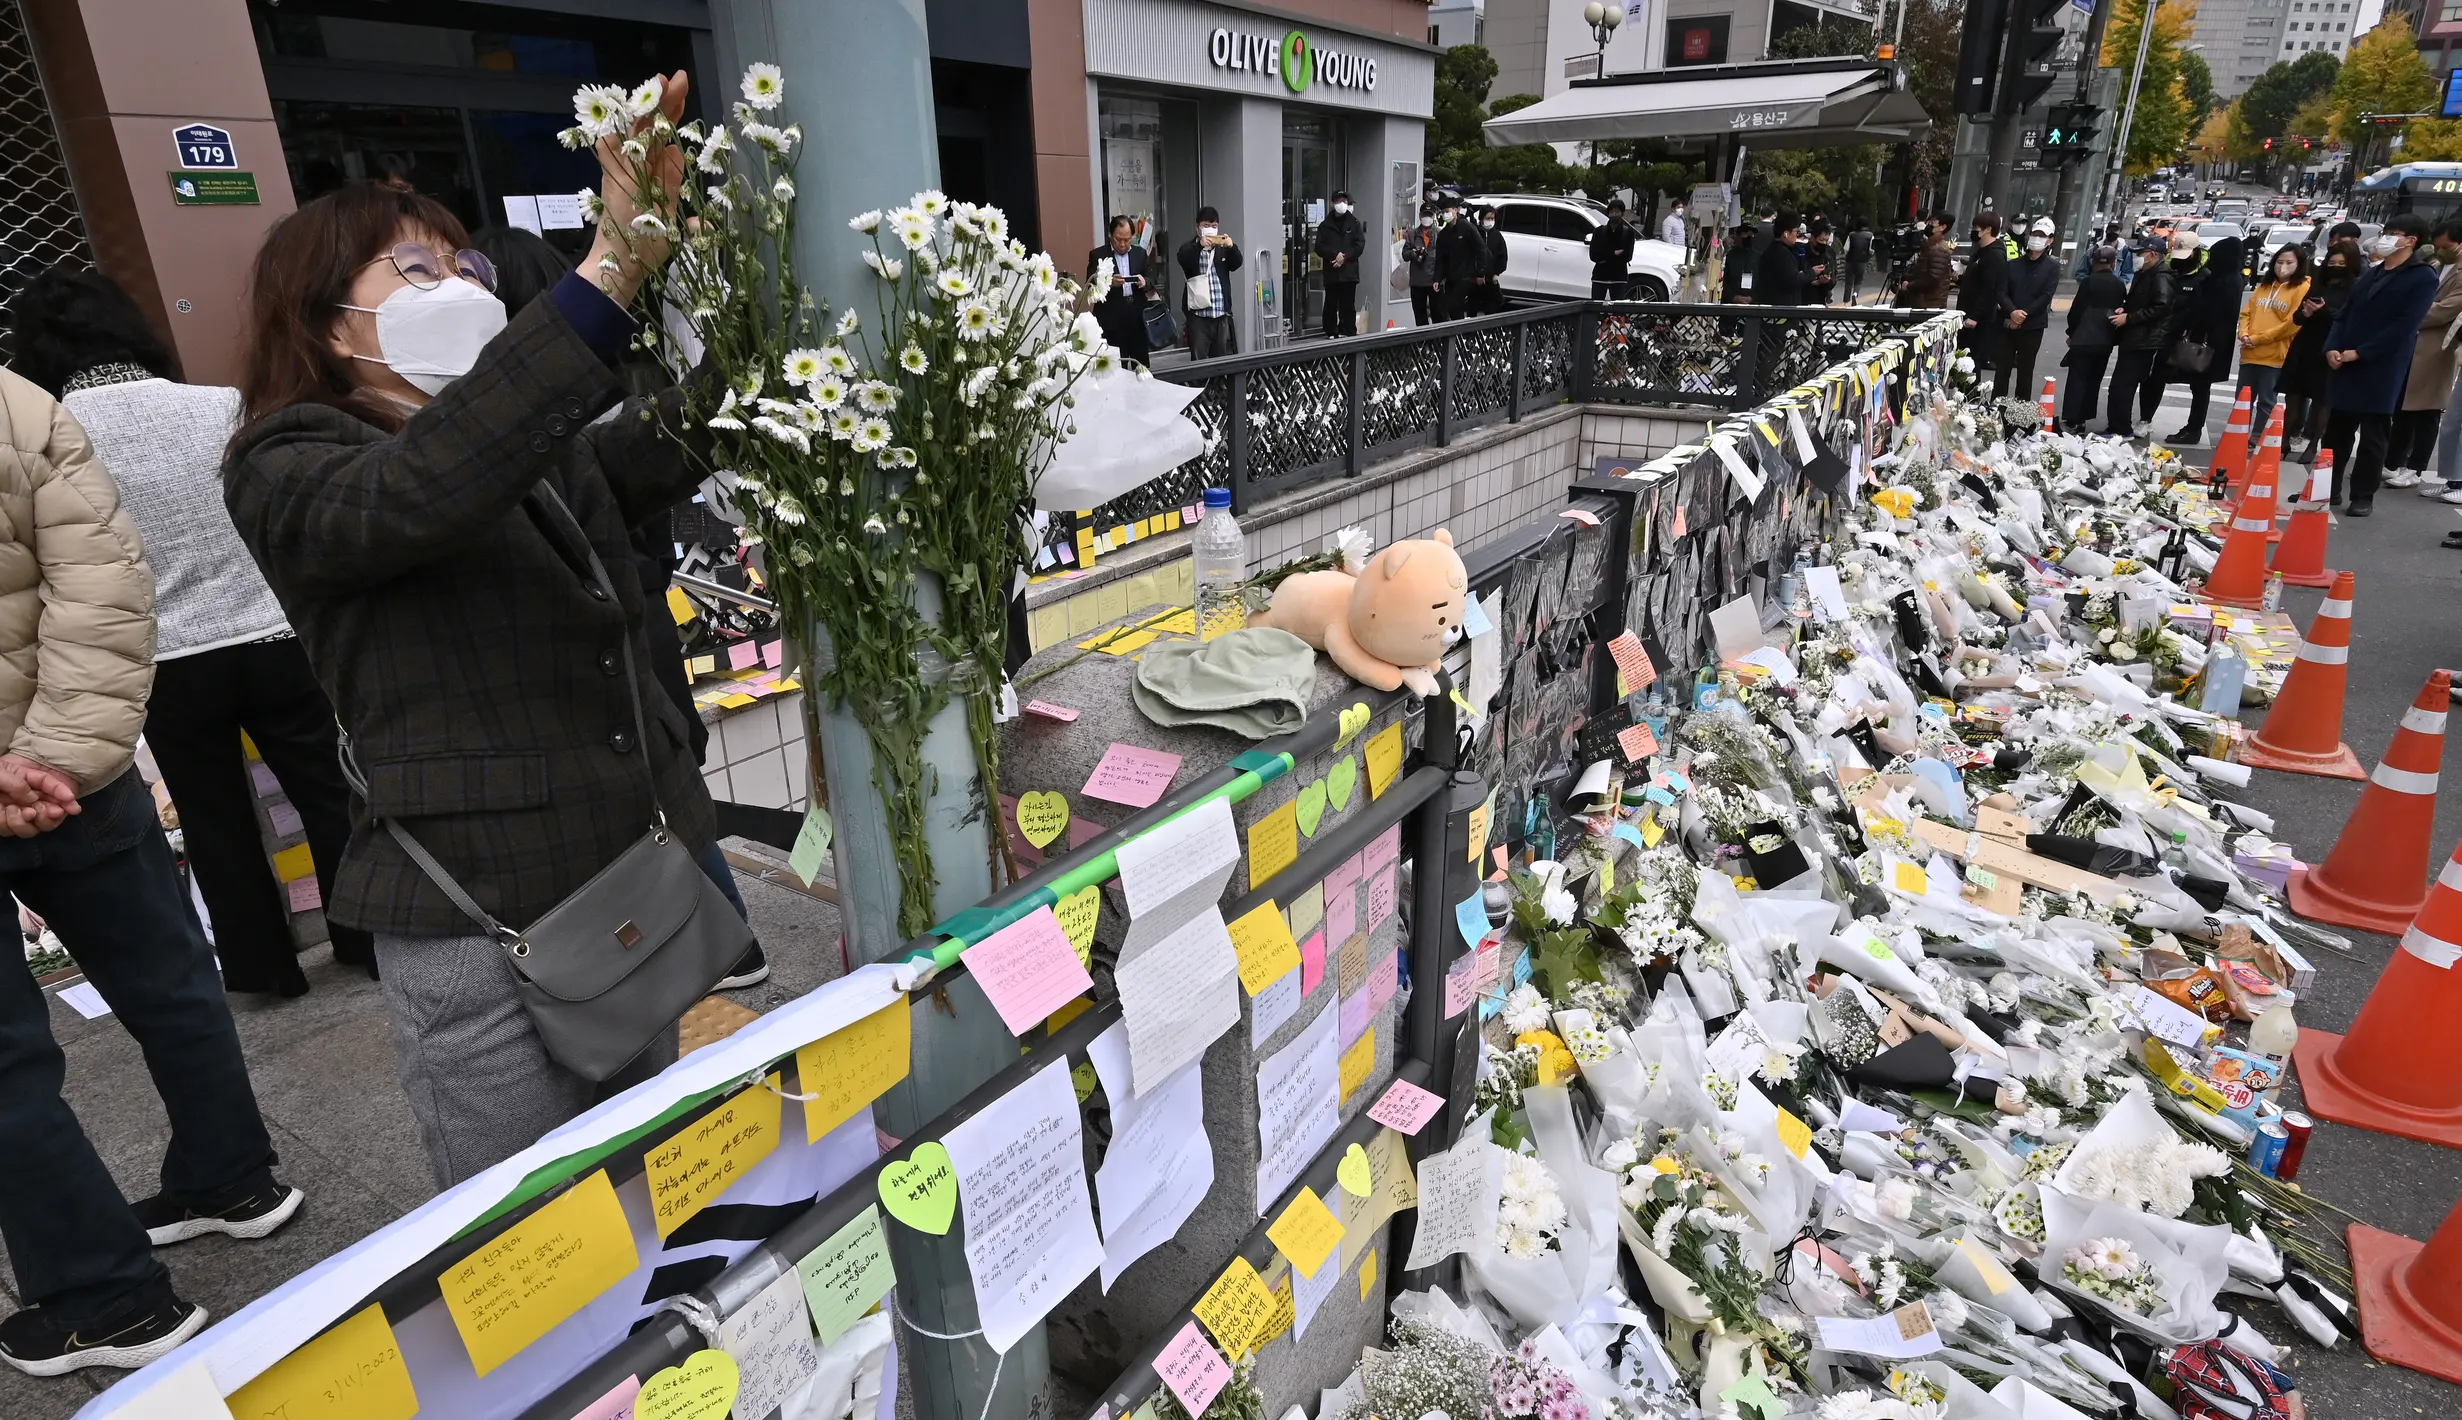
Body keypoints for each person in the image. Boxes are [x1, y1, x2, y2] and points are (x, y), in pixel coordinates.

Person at [222, 74, 717, 1186]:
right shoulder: (286, 463)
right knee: (527, 1218)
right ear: (323, 321)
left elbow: (637, 454)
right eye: (413, 269)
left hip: (619, 876)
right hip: (481, 911)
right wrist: (609, 270)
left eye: (462, 266)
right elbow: (422, 492)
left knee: (646, 1172)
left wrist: (764, 327)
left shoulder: (505, 438)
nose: (452, 286)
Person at [0, 363, 305, 1377]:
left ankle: (106, 1298)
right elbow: (101, 572)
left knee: (5, 1063)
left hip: (52, 754)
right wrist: (57, 754)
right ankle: (234, 1178)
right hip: (77, 763)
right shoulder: (18, 406)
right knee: (171, 981)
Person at [5, 268, 375, 1000]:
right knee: (329, 793)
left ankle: (262, 968)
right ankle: (368, 938)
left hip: (164, 658)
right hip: (272, 634)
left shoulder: (51, 439)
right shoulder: (221, 406)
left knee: (212, 819)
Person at [466, 227, 767, 991]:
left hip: (625, 623)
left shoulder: (566, 414)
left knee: (661, 791)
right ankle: (718, 944)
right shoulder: (586, 402)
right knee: (663, 789)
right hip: (640, 610)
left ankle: (728, 947)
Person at [2321, 211, 2440, 516]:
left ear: (2411, 241)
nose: (2384, 239)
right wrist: (2332, 347)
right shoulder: (2371, 274)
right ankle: (2326, 489)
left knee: (2373, 436)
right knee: (2336, 432)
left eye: (2392, 234)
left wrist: (2361, 352)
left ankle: (2363, 496)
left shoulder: (2422, 276)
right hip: (2345, 362)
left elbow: (2404, 326)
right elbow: (2344, 315)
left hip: (2381, 367)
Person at [2388, 218, 2462, 494]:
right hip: (2414, 343)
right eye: (2438, 246)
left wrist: (2409, 314)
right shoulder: (2436, 266)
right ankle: (2396, 462)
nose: (2440, 251)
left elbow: (2446, 309)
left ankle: (2416, 468)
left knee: (2428, 412)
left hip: (2438, 348)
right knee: (2405, 407)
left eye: (2447, 246)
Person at [2158, 234, 2242, 445]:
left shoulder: (2221, 281)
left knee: (2200, 386)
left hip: (2206, 341)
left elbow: (2207, 310)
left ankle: (2193, 428)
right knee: (2200, 386)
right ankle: (2193, 427)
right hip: (2216, 341)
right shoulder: (2233, 279)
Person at [2283, 239, 2357, 465]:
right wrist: (2306, 312)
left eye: (2341, 263)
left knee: (2323, 400)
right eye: (2332, 262)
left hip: (2330, 346)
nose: (2336, 267)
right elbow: (2297, 317)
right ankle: (2284, 439)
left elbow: (2347, 319)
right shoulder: (2317, 284)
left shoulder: (2354, 288)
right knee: (2293, 395)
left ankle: (2313, 444)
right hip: (2305, 344)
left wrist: (2323, 311)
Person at [2105, 240, 2178, 438]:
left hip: (2145, 340)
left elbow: (2161, 307)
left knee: (2123, 385)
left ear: (2153, 254)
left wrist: (2129, 317)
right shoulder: (2145, 273)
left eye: (2141, 253)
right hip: (2135, 336)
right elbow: (2142, 301)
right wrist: (2126, 309)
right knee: (2120, 385)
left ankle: (2121, 429)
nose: (2137, 257)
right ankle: (2116, 427)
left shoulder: (2161, 276)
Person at [2236, 243, 2310, 430]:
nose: (2282, 266)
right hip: (2249, 352)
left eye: (2289, 262)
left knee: (2266, 402)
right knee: (2242, 400)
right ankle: (2237, 435)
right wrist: (2244, 334)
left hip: (2274, 356)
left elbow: (2291, 324)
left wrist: (2258, 339)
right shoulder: (2265, 285)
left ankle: (2258, 436)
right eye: (2279, 261)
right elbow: (2246, 313)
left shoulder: (2302, 288)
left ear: (2299, 264)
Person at [2062, 245, 2128, 432]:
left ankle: (2073, 420)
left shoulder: (2088, 282)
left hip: (2083, 338)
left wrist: (2072, 333)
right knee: (2094, 379)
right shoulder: (2119, 284)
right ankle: (2084, 416)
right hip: (2105, 339)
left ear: (2093, 261)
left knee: (2077, 378)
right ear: (2114, 263)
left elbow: (2076, 311)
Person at [1996, 217, 2061, 398]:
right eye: (2034, 234)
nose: (2037, 239)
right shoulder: (2012, 264)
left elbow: (2046, 296)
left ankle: (2022, 409)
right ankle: (1996, 407)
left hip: (2033, 325)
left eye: (2042, 236)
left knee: (2025, 370)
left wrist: (2023, 315)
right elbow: (2001, 291)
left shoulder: (2052, 267)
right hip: (2008, 323)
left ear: (2050, 240)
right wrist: (2012, 312)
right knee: (2002, 369)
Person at [1176, 206, 1244, 360]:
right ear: (1197, 227)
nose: (1210, 229)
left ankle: (1218, 378)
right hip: (1198, 316)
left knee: (1220, 360)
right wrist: (1199, 245)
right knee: (1199, 360)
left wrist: (1231, 247)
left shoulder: (1222, 248)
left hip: (1220, 313)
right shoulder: (1190, 247)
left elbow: (1236, 264)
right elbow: (1183, 260)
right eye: (1206, 225)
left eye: (1214, 226)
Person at [1087, 216, 1153, 367]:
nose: (1123, 244)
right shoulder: (1098, 255)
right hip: (1111, 320)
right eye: (1118, 239)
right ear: (1110, 235)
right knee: (1116, 368)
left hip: (1136, 319)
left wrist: (1145, 282)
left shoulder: (1140, 254)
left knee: (1141, 367)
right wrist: (1109, 283)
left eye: (1127, 240)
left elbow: (1151, 278)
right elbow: (1090, 286)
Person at [1956, 212, 2013, 374]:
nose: (1973, 231)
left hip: (1979, 319)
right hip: (1967, 311)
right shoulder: (1980, 251)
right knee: (1962, 360)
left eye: (1976, 227)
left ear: (1988, 229)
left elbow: (1990, 289)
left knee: (1972, 362)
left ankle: (1972, 389)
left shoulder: (1995, 255)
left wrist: (1975, 316)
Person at [1312, 190, 1365, 338]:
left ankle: (1348, 331)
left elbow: (1359, 245)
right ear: (1332, 204)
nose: (1342, 204)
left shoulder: (1354, 223)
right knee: (1331, 303)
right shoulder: (1325, 225)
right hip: (1332, 271)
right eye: (1339, 201)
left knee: (1348, 305)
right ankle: (1331, 331)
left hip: (1349, 272)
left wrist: (1345, 257)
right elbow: (1319, 247)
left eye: (1344, 201)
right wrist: (1334, 255)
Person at [1435, 200, 1486, 321]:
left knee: (1455, 303)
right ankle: (1458, 329)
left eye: (1447, 211)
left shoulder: (1467, 228)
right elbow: (1440, 258)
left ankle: (1461, 329)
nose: (1445, 214)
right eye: (1443, 212)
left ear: (1456, 210)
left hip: (1466, 275)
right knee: (1450, 306)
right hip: (1450, 276)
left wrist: (1480, 272)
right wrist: (1437, 278)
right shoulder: (1443, 234)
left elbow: (1480, 249)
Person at [1744, 210, 1807, 306]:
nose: (1797, 235)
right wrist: (1811, 273)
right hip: (1780, 307)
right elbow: (1792, 280)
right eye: (1796, 231)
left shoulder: (1775, 248)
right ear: (1786, 233)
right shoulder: (1782, 253)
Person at [1897, 214, 1955, 309]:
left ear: (1943, 227)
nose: (1929, 225)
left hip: (1929, 303)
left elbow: (1932, 279)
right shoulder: (1930, 245)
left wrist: (1910, 285)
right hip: (1923, 301)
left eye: (1933, 222)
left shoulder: (1939, 249)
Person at [1590, 199, 1638, 300]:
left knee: (1618, 307)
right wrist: (1613, 253)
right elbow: (1594, 255)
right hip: (1600, 277)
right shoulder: (1599, 231)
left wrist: (1605, 255)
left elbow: (1627, 256)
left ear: (1622, 213)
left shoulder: (1628, 233)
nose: (1614, 214)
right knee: (1596, 306)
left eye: (1617, 212)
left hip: (1619, 278)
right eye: (1611, 212)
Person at [1404, 204, 1439, 326]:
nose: (1427, 218)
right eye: (1425, 215)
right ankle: (1423, 338)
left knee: (1438, 315)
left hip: (1435, 282)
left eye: (1429, 215)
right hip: (1417, 282)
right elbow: (1404, 254)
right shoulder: (1412, 234)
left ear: (1433, 217)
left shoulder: (1439, 234)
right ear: (1420, 216)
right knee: (1420, 316)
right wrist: (1413, 253)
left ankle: (1438, 337)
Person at [1479, 207, 1510, 314]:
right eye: (1488, 218)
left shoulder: (1497, 235)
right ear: (1481, 218)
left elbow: (1503, 256)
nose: (1490, 221)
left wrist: (1497, 273)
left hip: (1490, 279)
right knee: (1473, 307)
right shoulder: (1475, 233)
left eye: (1492, 218)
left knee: (1491, 307)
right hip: (1476, 279)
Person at [1805, 219, 1836, 307]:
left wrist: (1827, 281)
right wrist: (1810, 277)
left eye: (1826, 240)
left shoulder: (1830, 253)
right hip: (1802, 300)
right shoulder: (1801, 252)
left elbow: (1834, 278)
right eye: (1821, 240)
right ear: (1812, 237)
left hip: (1820, 301)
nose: (1824, 243)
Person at [1844, 220, 1873, 303]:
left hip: (1850, 260)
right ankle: (1855, 294)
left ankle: (1846, 301)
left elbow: (1846, 248)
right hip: (1862, 261)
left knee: (1848, 282)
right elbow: (1871, 250)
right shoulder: (1870, 235)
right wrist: (1869, 255)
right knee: (1858, 280)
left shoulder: (1851, 235)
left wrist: (1847, 256)